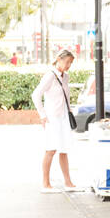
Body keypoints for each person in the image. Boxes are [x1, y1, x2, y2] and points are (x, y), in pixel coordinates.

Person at [31, 48, 77, 192]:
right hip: (52, 118)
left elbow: (66, 96)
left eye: (71, 62)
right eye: (67, 61)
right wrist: (42, 115)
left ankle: (68, 182)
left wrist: (69, 111)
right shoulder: (50, 76)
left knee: (64, 149)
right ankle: (45, 184)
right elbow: (36, 95)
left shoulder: (65, 77)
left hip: (63, 117)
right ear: (59, 59)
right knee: (51, 149)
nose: (68, 65)